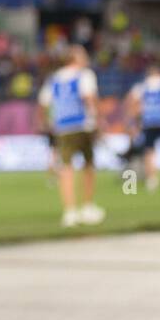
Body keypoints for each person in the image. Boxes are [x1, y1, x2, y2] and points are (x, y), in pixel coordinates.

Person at [36, 44, 105, 226]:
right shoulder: (85, 75)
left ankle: (70, 211)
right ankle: (87, 207)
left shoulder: (54, 78)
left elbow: (43, 103)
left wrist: (45, 122)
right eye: (82, 54)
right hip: (83, 124)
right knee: (88, 165)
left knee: (66, 168)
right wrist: (99, 120)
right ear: (75, 58)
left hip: (63, 127)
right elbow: (89, 98)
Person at [124, 63, 160, 192]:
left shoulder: (143, 86)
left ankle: (152, 179)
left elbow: (131, 101)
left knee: (149, 151)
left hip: (148, 122)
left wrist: (133, 121)